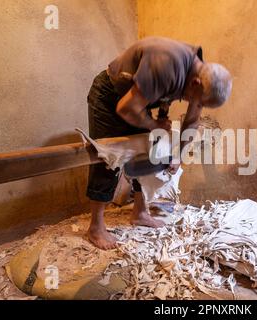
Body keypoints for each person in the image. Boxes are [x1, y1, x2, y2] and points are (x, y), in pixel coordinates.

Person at [86, 36, 232, 249]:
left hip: (135, 99)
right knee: (108, 156)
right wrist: (154, 125)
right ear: (195, 83)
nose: (196, 105)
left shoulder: (201, 75)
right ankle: (96, 227)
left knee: (148, 152)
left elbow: (192, 120)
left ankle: (140, 212)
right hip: (110, 96)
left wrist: (179, 156)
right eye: (198, 101)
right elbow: (125, 108)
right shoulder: (165, 66)